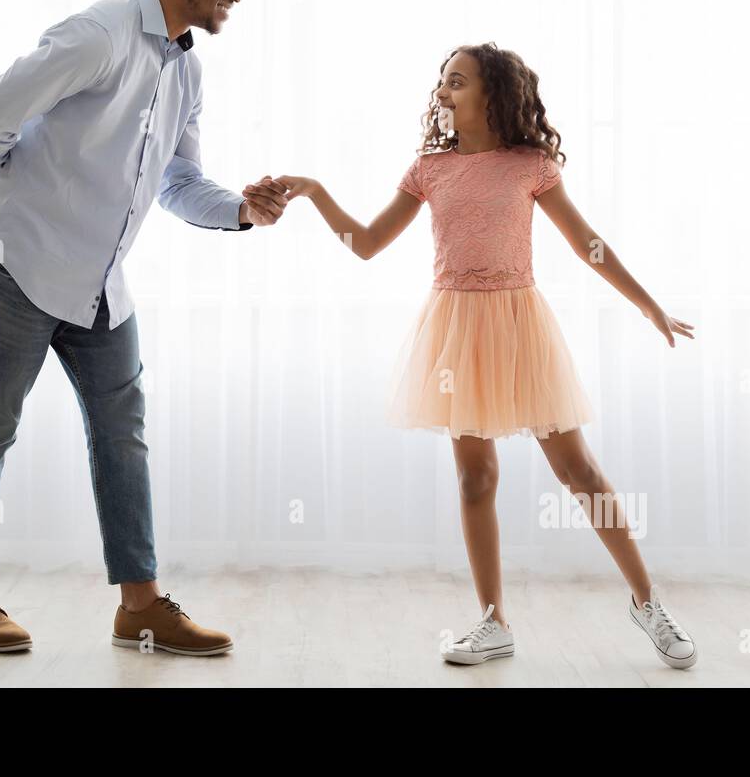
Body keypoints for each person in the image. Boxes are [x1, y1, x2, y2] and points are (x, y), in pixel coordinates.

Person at [276, 42, 699, 669]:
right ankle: (493, 620)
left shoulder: (530, 164)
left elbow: (589, 245)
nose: (444, 92)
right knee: (476, 477)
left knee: (578, 472)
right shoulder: (428, 169)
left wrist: (648, 306)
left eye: (458, 81)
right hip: (455, 331)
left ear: (492, 95)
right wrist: (313, 191)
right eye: (442, 82)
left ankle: (647, 602)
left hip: (518, 324)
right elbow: (365, 244)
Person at [0, 0, 290, 657]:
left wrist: (239, 210)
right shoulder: (99, 35)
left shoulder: (187, 70)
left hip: (101, 286)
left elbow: (178, 181)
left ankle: (141, 606)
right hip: (21, 265)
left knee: (123, 437)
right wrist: (8, 184)